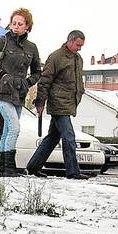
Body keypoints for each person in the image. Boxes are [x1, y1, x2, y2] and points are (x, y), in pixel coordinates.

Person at [0, 8, 42, 177]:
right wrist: (2, 75)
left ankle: (3, 168)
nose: (16, 26)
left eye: (20, 24)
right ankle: (9, 166)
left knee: (8, 129)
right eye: (14, 23)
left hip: (20, 94)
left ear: (27, 26)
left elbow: (37, 71)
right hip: (2, 92)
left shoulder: (32, 47)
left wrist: (29, 82)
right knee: (14, 127)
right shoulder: (2, 42)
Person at [27, 30, 89, 179]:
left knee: (53, 137)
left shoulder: (78, 59)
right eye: (78, 45)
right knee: (69, 136)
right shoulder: (56, 57)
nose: (79, 48)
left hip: (69, 103)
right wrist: (40, 102)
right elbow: (45, 81)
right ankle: (73, 171)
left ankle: (33, 166)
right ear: (70, 41)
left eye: (81, 45)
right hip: (58, 103)